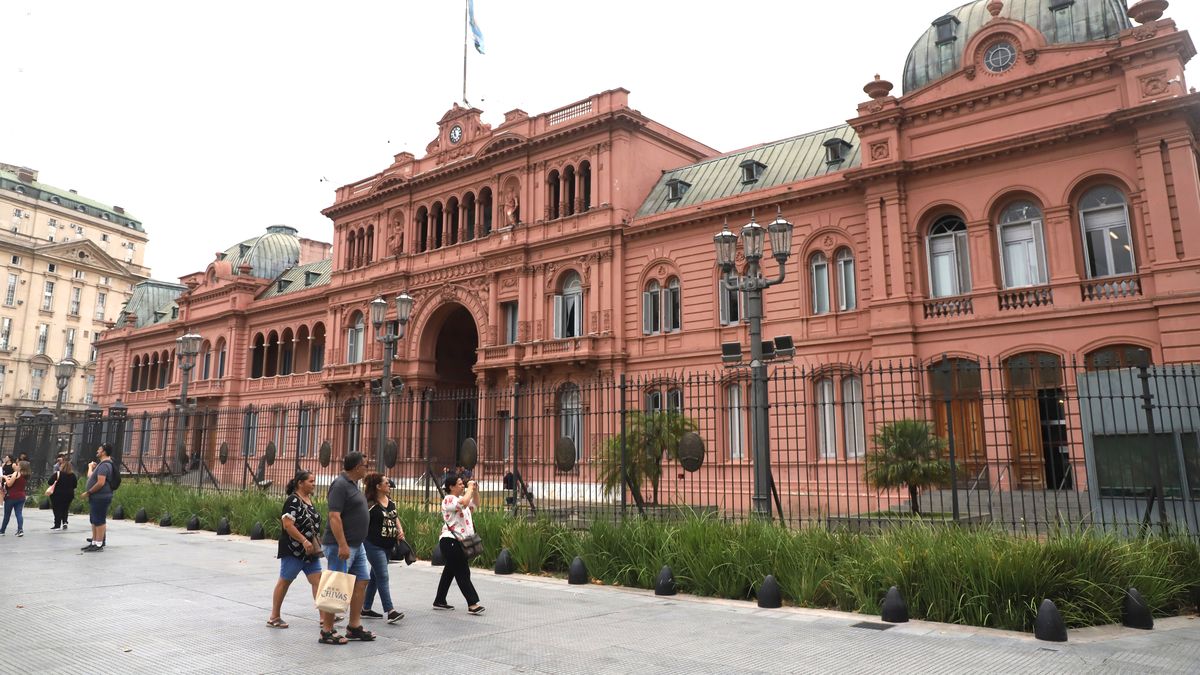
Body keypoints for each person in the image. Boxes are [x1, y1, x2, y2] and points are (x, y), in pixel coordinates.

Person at [319, 451, 375, 645]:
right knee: (336, 585)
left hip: (356, 546)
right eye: (366, 465)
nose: (367, 468)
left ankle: (353, 626)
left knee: (362, 581)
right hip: (340, 546)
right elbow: (334, 516)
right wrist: (342, 544)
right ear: (356, 467)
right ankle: (327, 631)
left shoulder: (353, 484)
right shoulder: (340, 485)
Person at [268, 471, 323, 629]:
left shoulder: (308, 500)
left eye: (314, 481)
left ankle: (323, 616)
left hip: (310, 551)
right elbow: (287, 525)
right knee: (285, 580)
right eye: (311, 481)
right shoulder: (293, 500)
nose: (314, 484)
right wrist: (303, 540)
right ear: (300, 483)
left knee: (317, 581)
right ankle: (274, 616)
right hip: (294, 549)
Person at [434, 474, 484, 615]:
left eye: (463, 484)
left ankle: (439, 600)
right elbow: (464, 502)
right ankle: (472, 603)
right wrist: (469, 488)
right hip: (450, 541)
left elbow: (475, 504)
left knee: (449, 571)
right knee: (462, 571)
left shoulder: (462, 500)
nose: (463, 485)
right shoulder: (449, 499)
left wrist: (474, 490)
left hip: (459, 542)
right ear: (451, 487)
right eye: (460, 483)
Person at [361, 473, 405, 624]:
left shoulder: (389, 501)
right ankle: (390, 611)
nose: (389, 485)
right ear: (378, 487)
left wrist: (400, 530)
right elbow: (361, 523)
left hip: (388, 545)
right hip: (373, 545)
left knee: (375, 576)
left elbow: (395, 517)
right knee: (383, 576)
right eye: (386, 483)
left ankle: (365, 609)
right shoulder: (370, 504)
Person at [82, 443, 115, 552]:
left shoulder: (105, 465)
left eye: (99, 449)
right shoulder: (102, 465)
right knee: (94, 520)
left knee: (99, 520)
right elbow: (91, 477)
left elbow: (101, 483)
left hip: (100, 497)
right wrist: (91, 467)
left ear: (104, 452)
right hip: (97, 496)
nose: (97, 450)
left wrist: (89, 492)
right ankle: (94, 542)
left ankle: (99, 543)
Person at [47, 455, 78, 531]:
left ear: (62, 467)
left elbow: (49, 482)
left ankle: (57, 525)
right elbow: (75, 485)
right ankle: (65, 522)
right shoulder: (73, 475)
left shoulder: (58, 474)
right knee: (65, 508)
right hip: (69, 495)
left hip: (57, 495)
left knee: (57, 509)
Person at [0, 460, 29, 537]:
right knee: (19, 513)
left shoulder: (16, 474)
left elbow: (9, 484)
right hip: (21, 496)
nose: (16, 466)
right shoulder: (26, 475)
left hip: (11, 496)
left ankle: (2, 530)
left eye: (17, 465)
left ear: (20, 467)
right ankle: (20, 529)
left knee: (7, 515)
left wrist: (5, 478)